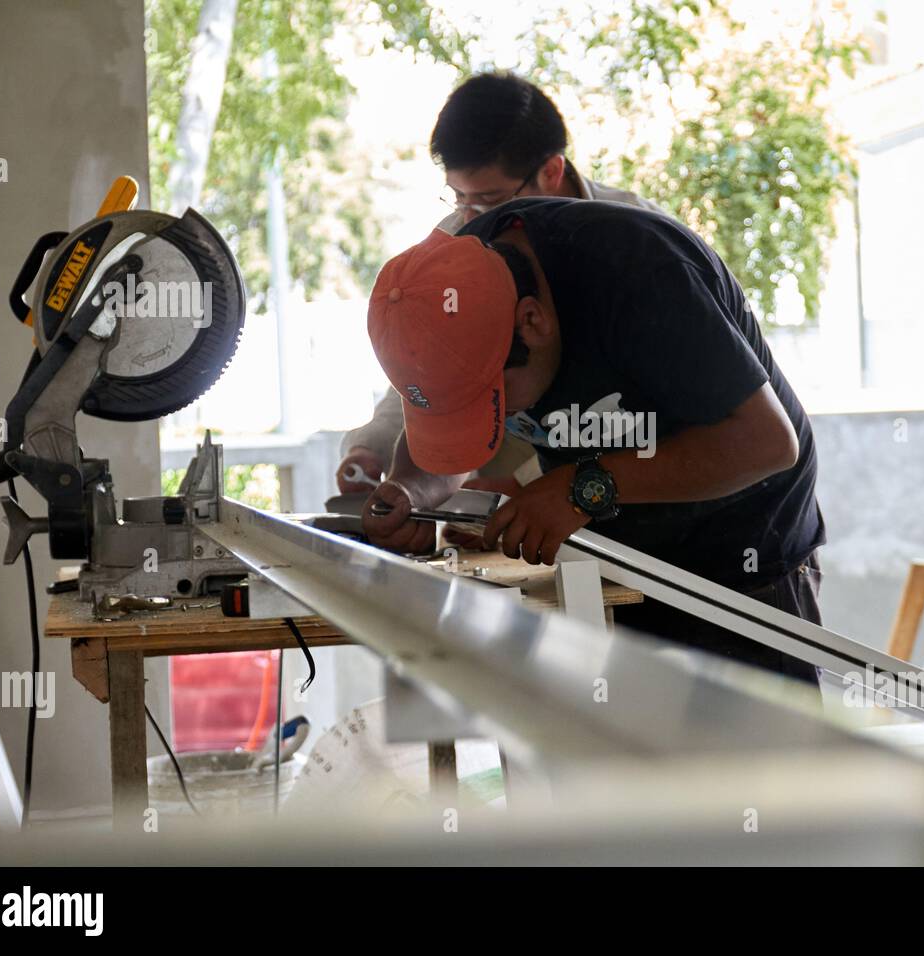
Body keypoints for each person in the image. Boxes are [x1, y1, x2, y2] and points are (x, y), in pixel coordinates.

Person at [361, 197, 825, 682]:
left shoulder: (642, 271)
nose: (493, 424)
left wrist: (579, 488)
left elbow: (768, 444)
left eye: (492, 400)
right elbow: (440, 427)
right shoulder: (445, 287)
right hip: (616, 559)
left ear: (532, 321)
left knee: (760, 754)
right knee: (629, 747)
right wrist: (413, 491)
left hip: (743, 557)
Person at [337, 72, 662, 492]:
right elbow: (438, 366)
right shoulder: (459, 241)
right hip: (506, 453)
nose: (473, 219)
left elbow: (670, 423)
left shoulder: (637, 244)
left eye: (490, 200)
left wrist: (532, 486)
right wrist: (375, 449)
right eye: (458, 197)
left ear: (551, 170)